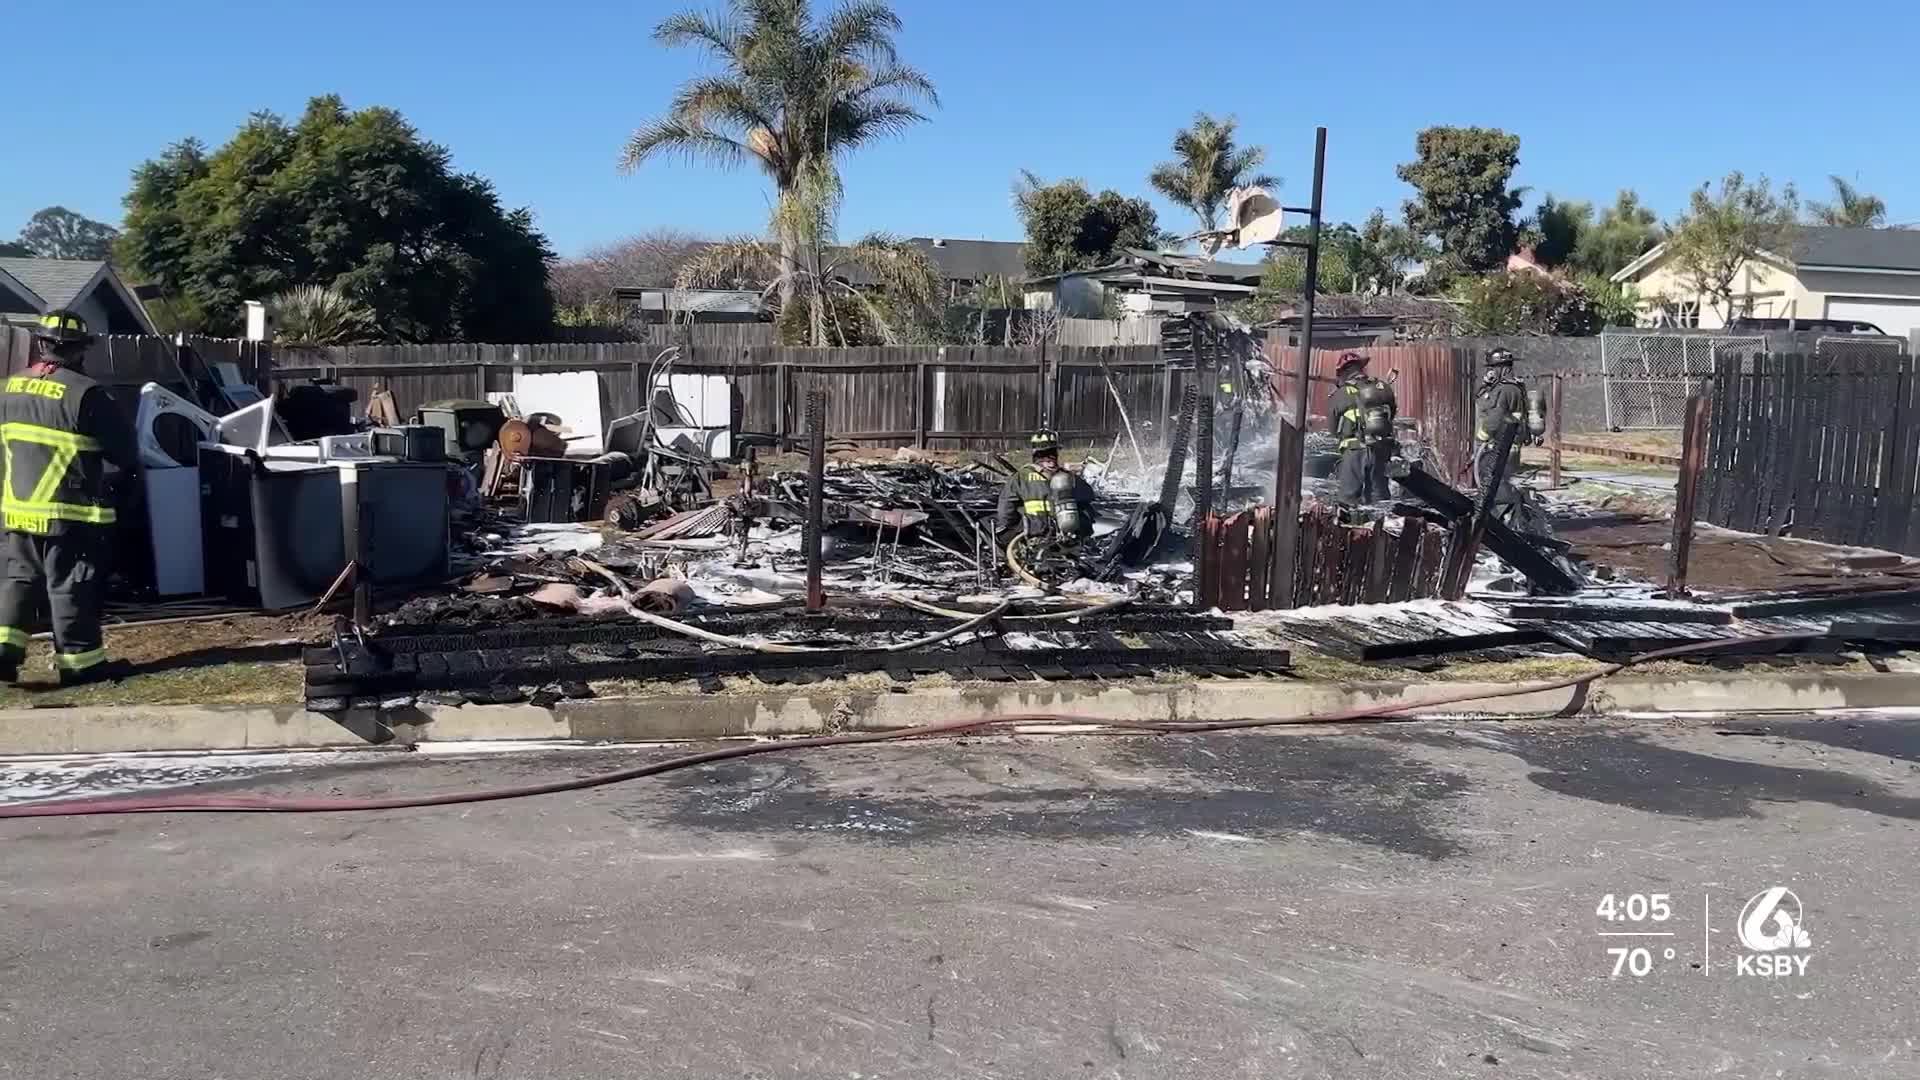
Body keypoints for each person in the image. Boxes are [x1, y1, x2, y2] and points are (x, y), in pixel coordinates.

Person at [0, 310, 140, 685]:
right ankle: (81, 666)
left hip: (15, 511)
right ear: (80, 351)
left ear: (41, 344)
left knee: (17, 580)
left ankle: (2, 657)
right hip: (69, 514)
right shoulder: (87, 394)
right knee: (70, 586)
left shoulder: (8, 388)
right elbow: (125, 454)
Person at [994, 430, 1094, 542]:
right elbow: (1089, 496)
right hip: (1067, 537)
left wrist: (1006, 531)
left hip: (1033, 535)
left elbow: (1006, 509)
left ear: (1036, 454)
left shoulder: (1021, 477)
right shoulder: (1067, 476)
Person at [1327, 351, 1397, 507]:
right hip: (1380, 448)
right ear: (1361, 368)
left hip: (1354, 450)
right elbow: (1391, 413)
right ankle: (1382, 528)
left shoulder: (1340, 394)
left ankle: (1350, 528)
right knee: (1379, 496)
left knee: (1348, 498)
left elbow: (1332, 429)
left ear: (1343, 372)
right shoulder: (1381, 387)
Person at [1473, 348, 1529, 502]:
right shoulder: (1509, 387)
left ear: (1501, 368)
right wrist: (1485, 384)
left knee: (1495, 487)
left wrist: (1480, 438)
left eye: (1493, 368)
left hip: (1498, 447)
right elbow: (1478, 399)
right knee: (1499, 484)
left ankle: (1504, 517)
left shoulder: (1505, 390)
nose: (1491, 371)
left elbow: (1494, 420)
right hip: (1505, 446)